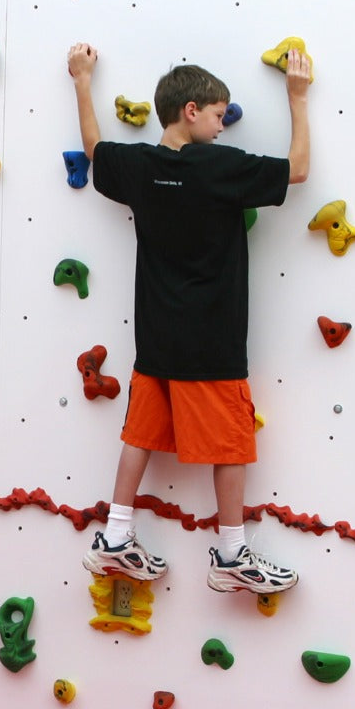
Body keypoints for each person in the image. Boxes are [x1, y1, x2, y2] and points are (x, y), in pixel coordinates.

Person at [67, 41, 311, 594]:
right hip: (211, 336)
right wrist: (296, 96)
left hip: (155, 333)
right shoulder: (220, 166)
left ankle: (115, 535)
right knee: (231, 441)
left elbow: (93, 147)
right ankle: (231, 554)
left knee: (141, 433)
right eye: (220, 115)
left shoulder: (136, 165)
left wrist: (82, 81)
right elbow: (297, 170)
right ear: (192, 111)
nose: (224, 127)